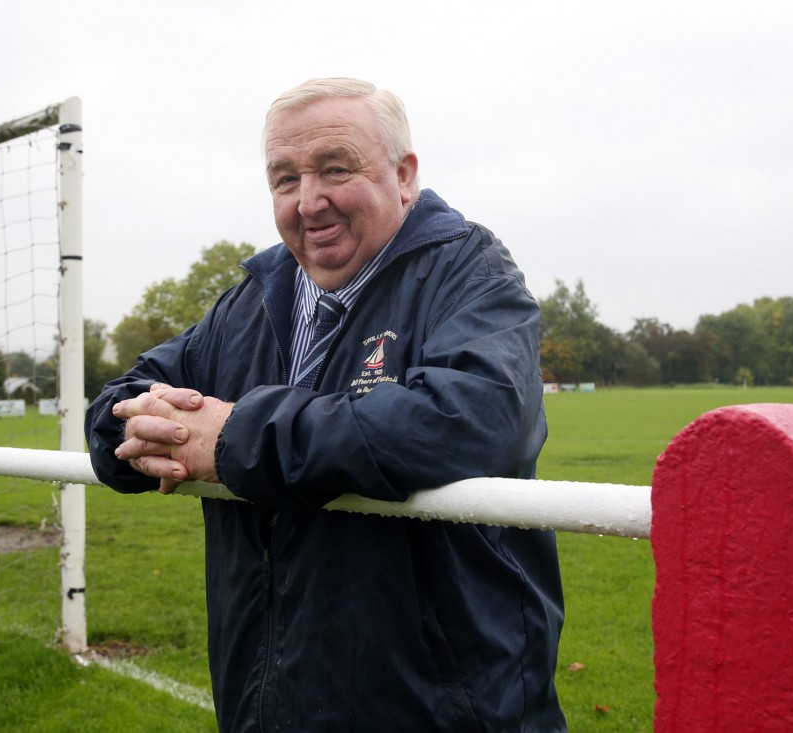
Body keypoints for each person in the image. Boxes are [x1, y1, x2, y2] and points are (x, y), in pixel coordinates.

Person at [85, 77, 566, 732]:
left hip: (441, 710)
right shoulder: (250, 300)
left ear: (404, 175)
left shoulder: (469, 272)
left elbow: (472, 417)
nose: (309, 201)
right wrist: (142, 431)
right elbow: (115, 409)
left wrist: (231, 437)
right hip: (261, 704)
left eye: (335, 169)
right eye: (285, 179)